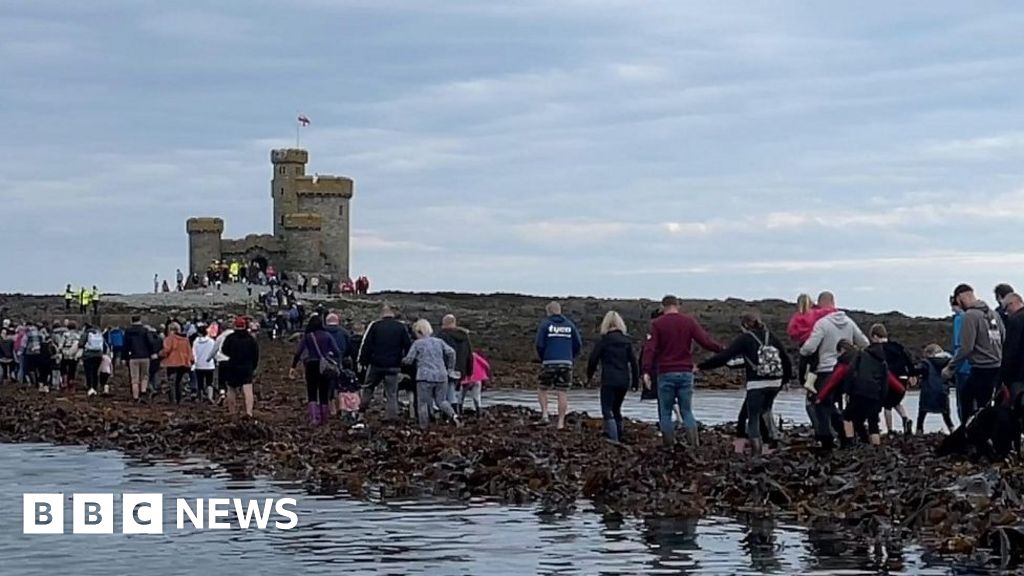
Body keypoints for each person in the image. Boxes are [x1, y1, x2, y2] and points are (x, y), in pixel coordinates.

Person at [699, 311, 792, 456]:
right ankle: (769, 443)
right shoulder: (771, 336)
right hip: (775, 382)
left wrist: (701, 366)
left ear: (744, 326)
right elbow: (785, 358)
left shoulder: (745, 338)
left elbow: (725, 357)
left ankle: (757, 451)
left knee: (753, 417)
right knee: (765, 411)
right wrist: (786, 379)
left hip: (757, 384)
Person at [641, 295, 723, 448]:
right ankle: (694, 444)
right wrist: (723, 350)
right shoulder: (688, 321)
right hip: (685, 371)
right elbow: (705, 341)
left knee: (665, 412)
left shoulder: (657, 324)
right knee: (687, 411)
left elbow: (650, 349)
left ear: (662, 307)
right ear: (677, 305)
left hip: (665, 372)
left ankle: (669, 446)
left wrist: (646, 371)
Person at [799, 291, 869, 449]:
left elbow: (810, 348)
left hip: (825, 370)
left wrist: (802, 352)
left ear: (820, 304)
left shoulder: (822, 323)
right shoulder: (849, 322)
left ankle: (827, 440)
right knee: (832, 405)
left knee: (821, 404)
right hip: (846, 370)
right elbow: (864, 342)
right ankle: (845, 437)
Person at [816, 340, 906, 446]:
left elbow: (834, 380)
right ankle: (875, 448)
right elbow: (887, 377)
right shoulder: (878, 359)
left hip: (859, 392)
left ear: (842, 350)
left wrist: (820, 397)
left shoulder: (851, 359)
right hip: (876, 394)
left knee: (847, 416)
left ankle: (850, 444)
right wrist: (899, 389)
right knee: (872, 423)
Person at [943, 284, 1005, 424]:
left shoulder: (970, 316)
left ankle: (970, 436)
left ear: (959, 298)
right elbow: (1003, 338)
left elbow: (966, 348)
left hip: (981, 368)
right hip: (997, 367)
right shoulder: (993, 314)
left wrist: (950, 367)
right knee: (986, 405)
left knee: (969, 404)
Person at [586, 311, 639, 443]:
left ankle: (613, 439)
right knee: (617, 409)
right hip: (624, 380)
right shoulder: (626, 341)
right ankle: (619, 435)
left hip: (609, 379)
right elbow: (634, 362)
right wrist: (635, 382)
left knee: (607, 409)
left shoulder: (604, 341)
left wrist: (589, 376)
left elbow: (593, 360)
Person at [403, 319, 459, 430]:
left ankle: (424, 426)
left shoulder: (417, 343)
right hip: (441, 375)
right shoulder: (439, 341)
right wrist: (450, 369)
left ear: (418, 331)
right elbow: (451, 352)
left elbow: (409, 360)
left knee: (422, 403)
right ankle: (454, 415)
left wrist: (402, 361)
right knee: (441, 401)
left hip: (424, 376)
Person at [358, 305, 412, 420]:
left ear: (382, 314)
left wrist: (363, 361)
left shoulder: (375, 326)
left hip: (376, 364)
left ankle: (361, 413)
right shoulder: (400, 327)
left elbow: (367, 345)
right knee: (391, 393)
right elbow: (407, 345)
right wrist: (405, 362)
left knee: (368, 388)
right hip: (393, 365)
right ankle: (391, 417)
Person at [535, 301, 583, 430]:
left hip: (549, 361)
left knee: (542, 388)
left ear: (548, 311)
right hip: (566, 362)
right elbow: (578, 344)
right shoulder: (570, 325)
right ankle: (561, 422)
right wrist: (570, 356)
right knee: (562, 392)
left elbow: (539, 344)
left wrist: (543, 357)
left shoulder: (545, 325)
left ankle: (545, 415)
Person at [290, 315, 342, 426]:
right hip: (324, 366)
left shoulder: (308, 336)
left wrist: (293, 367)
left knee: (312, 391)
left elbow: (298, 352)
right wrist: (330, 356)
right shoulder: (327, 335)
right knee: (324, 392)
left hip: (311, 365)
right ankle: (324, 419)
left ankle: (314, 418)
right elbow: (337, 351)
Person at [870, 324, 915, 435]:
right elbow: (908, 360)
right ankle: (906, 419)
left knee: (887, 405)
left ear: (875, 336)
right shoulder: (897, 347)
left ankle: (890, 429)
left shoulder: (879, 349)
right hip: (903, 378)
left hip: (891, 379)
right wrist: (912, 374)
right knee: (896, 401)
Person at [786, 293, 831, 391]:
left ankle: (803, 380)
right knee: (815, 362)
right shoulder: (815, 313)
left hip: (802, 342)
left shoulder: (796, 316)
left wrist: (798, 336)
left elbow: (790, 331)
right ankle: (810, 382)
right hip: (814, 340)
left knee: (804, 362)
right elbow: (829, 311)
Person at [221, 317, 260, 417]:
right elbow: (255, 354)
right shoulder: (250, 339)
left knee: (231, 389)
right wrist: (253, 367)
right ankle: (249, 412)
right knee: (248, 390)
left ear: (235, 326)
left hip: (233, 365)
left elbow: (224, 350)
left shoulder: (230, 338)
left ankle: (232, 411)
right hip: (247, 367)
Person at [916, 344, 956, 433]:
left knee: (922, 414)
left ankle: (919, 431)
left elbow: (918, 370)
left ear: (929, 353)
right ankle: (952, 430)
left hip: (927, 392)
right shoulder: (949, 363)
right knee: (946, 415)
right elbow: (953, 379)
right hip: (942, 392)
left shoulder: (926, 363)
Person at [438, 314, 473, 414]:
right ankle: (454, 412)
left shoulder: (441, 336)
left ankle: (452, 414)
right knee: (453, 391)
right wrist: (469, 371)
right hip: (461, 369)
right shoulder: (464, 336)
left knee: (447, 392)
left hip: (446, 369)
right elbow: (469, 354)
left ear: (444, 323)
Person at [159, 322, 194, 405]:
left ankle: (173, 400)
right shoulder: (185, 339)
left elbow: (166, 350)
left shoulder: (170, 339)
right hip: (184, 363)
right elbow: (189, 351)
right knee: (180, 382)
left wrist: (159, 354)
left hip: (172, 363)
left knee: (172, 382)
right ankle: (180, 399)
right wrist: (190, 360)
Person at [124, 316, 157, 401]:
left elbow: (125, 345)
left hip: (133, 357)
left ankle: (135, 396)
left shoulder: (128, 331)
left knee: (134, 378)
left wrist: (124, 357)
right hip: (145, 356)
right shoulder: (145, 330)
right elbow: (150, 342)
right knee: (144, 376)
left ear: (131, 321)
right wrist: (152, 352)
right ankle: (143, 391)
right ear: (140, 320)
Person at [79, 324, 107, 397]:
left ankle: (90, 388)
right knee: (95, 372)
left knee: (88, 372)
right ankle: (95, 388)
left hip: (88, 355)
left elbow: (81, 344)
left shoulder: (86, 334)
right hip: (98, 355)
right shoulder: (99, 334)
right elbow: (104, 345)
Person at [192, 325, 217, 401]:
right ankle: (210, 396)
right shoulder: (211, 341)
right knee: (209, 382)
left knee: (200, 382)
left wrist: (194, 362)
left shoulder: (196, 342)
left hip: (199, 365)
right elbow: (214, 352)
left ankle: (201, 397)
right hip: (209, 365)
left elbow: (193, 353)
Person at [58, 321, 82, 392]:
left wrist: (60, 350)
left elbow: (61, 344)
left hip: (65, 353)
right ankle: (71, 384)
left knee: (63, 368)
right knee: (72, 369)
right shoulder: (78, 335)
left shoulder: (65, 334)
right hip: (74, 355)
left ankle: (64, 382)